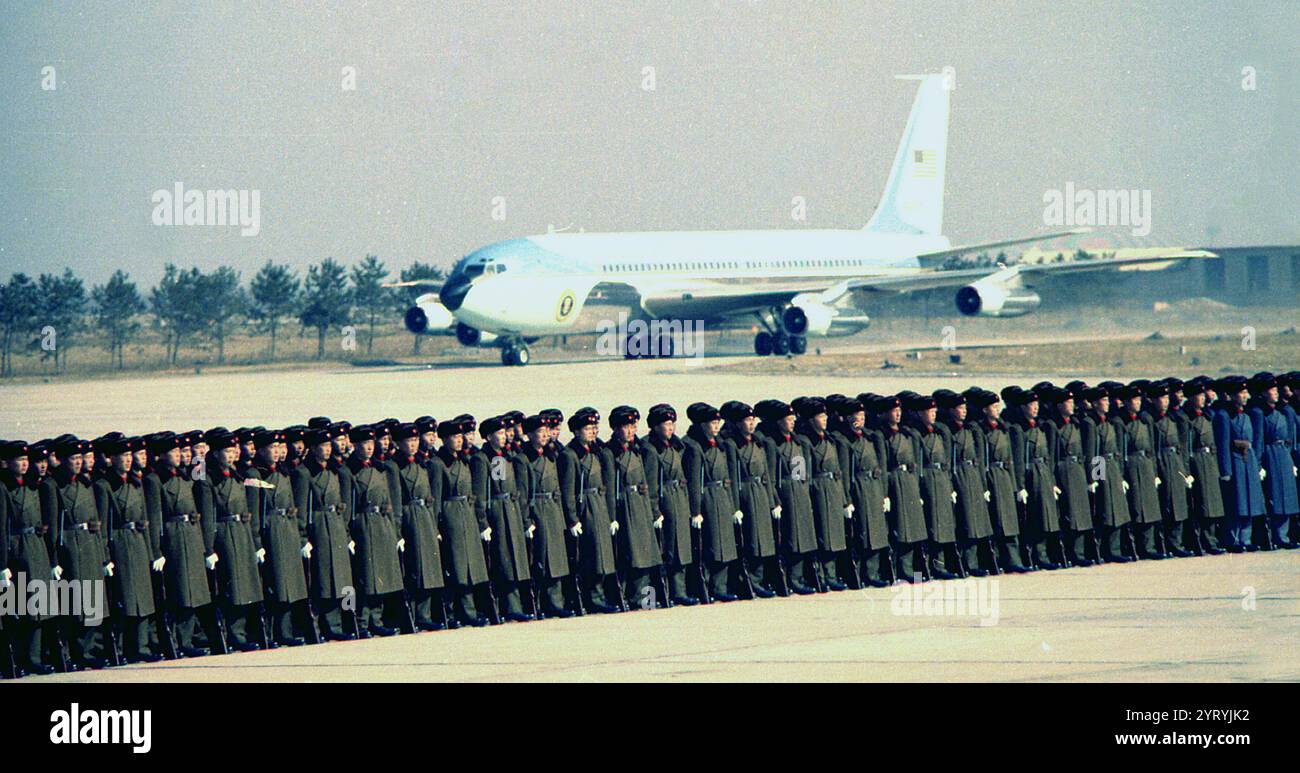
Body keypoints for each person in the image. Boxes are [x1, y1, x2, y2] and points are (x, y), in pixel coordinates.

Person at [93, 436, 163, 663]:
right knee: (124, 597)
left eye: (127, 456)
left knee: (143, 595)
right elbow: (104, 524)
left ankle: (141, 645)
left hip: (139, 541)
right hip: (120, 543)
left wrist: (152, 552)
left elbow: (145, 518)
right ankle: (122, 647)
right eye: (121, 456)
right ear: (111, 459)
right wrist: (105, 556)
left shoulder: (136, 482)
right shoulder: (105, 486)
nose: (126, 461)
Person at [143, 433, 214, 657]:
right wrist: (156, 550)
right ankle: (179, 640)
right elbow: (155, 517)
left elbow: (201, 484)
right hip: (174, 537)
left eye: (180, 452)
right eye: (173, 452)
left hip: (191, 535)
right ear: (162, 456)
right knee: (181, 590)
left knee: (194, 590)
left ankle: (188, 636)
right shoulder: (156, 480)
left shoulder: (184, 475)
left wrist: (199, 457)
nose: (178, 455)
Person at [194, 430, 266, 650]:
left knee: (245, 585)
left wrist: (255, 542)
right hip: (224, 534)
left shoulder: (236, 474)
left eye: (234, 450)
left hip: (241, 532)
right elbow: (207, 517)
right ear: (215, 454)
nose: (232, 454)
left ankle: (242, 631)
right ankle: (233, 634)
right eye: (227, 450)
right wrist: (208, 549)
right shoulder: (207, 479)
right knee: (232, 585)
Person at [41, 438, 109, 669]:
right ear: (62, 460)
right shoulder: (53, 485)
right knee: (75, 602)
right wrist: (54, 558)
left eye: (80, 458)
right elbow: (52, 522)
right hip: (69, 545)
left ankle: (91, 649)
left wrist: (102, 553)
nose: (78, 463)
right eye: (73, 459)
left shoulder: (85, 483)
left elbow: (95, 521)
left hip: (89, 543)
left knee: (92, 598)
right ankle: (76, 652)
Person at [293, 426, 357, 640]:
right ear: (313, 448)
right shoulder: (304, 473)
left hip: (336, 527)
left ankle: (342, 622)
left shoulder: (334, 470)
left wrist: (346, 534)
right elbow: (302, 509)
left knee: (341, 578)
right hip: (319, 528)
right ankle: (327, 626)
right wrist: (303, 538)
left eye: (329, 445)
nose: (328, 450)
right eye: (323, 446)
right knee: (324, 579)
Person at [247, 430, 310, 646]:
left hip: (288, 530)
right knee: (277, 583)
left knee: (291, 583)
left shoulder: (283, 472)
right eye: (271, 448)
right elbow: (254, 512)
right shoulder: (255, 475)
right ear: (261, 451)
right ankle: (277, 632)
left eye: (278, 448)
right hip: (271, 532)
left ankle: (288, 629)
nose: (276, 452)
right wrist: (257, 542)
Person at [1, 440, 59, 674]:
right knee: (18, 609)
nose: (24, 465)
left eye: (26, 460)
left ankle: (33, 657)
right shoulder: (4, 488)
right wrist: (2, 564)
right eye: (19, 461)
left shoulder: (33, 487)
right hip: (17, 551)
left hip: (36, 549)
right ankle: (20, 658)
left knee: (39, 607)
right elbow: (2, 528)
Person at [429, 416, 491, 626]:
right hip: (451, 515)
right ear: (444, 439)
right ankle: (457, 612)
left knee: (470, 566)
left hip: (467, 514)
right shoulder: (438, 464)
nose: (459, 440)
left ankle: (469, 610)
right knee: (456, 566)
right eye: (454, 436)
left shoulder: (463, 459)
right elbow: (436, 496)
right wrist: (437, 524)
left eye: (460, 436)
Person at [558, 408, 621, 613]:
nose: (593, 432)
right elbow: (568, 490)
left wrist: (610, 515)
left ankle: (600, 595)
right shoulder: (570, 455)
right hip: (585, 507)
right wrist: (572, 519)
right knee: (592, 554)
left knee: (603, 553)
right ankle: (592, 598)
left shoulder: (596, 451)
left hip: (599, 504)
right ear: (576, 431)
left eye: (594, 428)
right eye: (588, 428)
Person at [472, 416, 533, 623]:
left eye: (505, 432)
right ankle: (509, 606)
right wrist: (483, 522)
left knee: (514, 559)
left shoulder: (502, 456)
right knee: (504, 560)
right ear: (489, 437)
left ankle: (515, 605)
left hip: (510, 510)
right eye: (499, 433)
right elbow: (482, 494)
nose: (504, 436)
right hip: (498, 514)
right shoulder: (484, 458)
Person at [756, 399, 819, 593]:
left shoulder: (797, 443)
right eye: (787, 419)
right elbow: (772, 476)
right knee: (789, 538)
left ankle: (797, 577)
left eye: (793, 419)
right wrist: (775, 499)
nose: (792, 422)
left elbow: (801, 473)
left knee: (802, 538)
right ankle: (785, 579)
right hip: (784, 494)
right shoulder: (772, 444)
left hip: (798, 493)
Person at [346, 426, 404, 636]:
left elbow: (389, 499)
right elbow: (349, 506)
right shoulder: (350, 470)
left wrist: (393, 528)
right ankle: (361, 621)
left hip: (382, 524)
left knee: (381, 575)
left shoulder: (379, 469)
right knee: (365, 576)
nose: (369, 448)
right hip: (364, 525)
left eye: (371, 444)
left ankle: (376, 618)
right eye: (364, 444)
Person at [389, 422, 447, 631]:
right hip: (409, 517)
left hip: (425, 516)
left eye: (415, 440)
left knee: (428, 568)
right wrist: (398, 529)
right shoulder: (395, 466)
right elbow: (396, 499)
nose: (413, 445)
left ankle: (424, 613)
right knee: (414, 567)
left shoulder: (423, 463)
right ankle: (412, 615)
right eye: (409, 441)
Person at [965, 388, 1031, 572]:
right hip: (991, 477)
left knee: (1009, 522)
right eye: (993, 406)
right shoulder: (980, 430)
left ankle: (1013, 560)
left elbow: (1012, 458)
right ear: (985, 410)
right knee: (993, 522)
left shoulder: (1004, 429)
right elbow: (981, 460)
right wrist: (984, 485)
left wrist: (1017, 485)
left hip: (1005, 477)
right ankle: (993, 561)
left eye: (997, 406)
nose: (996, 409)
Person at [641, 404, 700, 605]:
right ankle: (668, 592)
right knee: (669, 549)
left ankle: (680, 590)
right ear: (656, 426)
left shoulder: (676, 446)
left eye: (672, 423)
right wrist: (655, 510)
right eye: (666, 423)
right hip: (665, 501)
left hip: (679, 499)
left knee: (682, 547)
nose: (671, 427)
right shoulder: (650, 449)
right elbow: (651, 483)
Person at [720, 400, 780, 596]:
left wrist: (774, 501)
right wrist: (735, 506)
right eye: (747, 420)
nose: (752, 423)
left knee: (764, 538)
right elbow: (733, 477)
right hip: (746, 494)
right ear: (738, 423)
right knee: (751, 539)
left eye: (753, 419)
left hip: (761, 493)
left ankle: (759, 579)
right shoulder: (732, 445)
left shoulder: (759, 443)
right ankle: (750, 581)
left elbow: (767, 475)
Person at [683, 402, 742, 601]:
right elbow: (694, 481)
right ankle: (708, 587)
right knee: (711, 545)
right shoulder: (695, 447)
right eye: (712, 423)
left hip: (722, 497)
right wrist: (695, 510)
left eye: (718, 422)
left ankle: (720, 586)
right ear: (702, 425)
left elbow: (730, 476)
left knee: (725, 544)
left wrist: (734, 506)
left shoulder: (720, 445)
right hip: (707, 499)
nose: (716, 427)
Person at [517, 414, 574, 617]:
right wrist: (526, 520)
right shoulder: (523, 459)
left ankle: (556, 602)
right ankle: (541, 603)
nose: (545, 435)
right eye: (540, 432)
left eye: (546, 432)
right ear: (530, 435)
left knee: (557, 559)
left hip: (553, 509)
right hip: (538, 511)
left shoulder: (551, 454)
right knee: (541, 559)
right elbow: (523, 492)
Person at [935, 389, 996, 575]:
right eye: (959, 408)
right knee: (964, 521)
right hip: (958, 476)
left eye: (964, 407)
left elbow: (978, 458)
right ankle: (963, 563)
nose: (963, 411)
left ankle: (974, 561)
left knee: (976, 521)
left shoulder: (970, 429)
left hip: (973, 476)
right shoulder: (947, 431)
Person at [792, 396, 850, 590]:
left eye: (825, 416)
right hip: (816, 492)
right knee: (821, 535)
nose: (824, 419)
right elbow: (799, 474)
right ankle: (819, 576)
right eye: (820, 416)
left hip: (832, 489)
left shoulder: (830, 439)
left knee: (833, 533)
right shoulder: (803, 442)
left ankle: (831, 574)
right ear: (810, 420)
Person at [1004, 386, 1064, 569]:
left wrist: (1052, 481)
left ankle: (1045, 554)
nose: (1035, 408)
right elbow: (1019, 459)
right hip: (1031, 477)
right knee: (1035, 517)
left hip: (1044, 474)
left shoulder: (1043, 428)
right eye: (1031, 404)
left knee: (1047, 517)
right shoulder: (1018, 430)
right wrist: (1020, 485)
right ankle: (1038, 556)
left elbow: (1052, 456)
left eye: (1036, 404)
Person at [903, 392, 960, 579]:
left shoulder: (939, 432)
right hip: (925, 481)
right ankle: (921, 570)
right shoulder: (914, 434)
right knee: (924, 530)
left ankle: (939, 567)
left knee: (942, 528)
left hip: (941, 481)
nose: (933, 414)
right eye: (929, 411)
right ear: (919, 413)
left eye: (935, 411)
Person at [1041, 385, 1096, 565]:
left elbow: (1094, 453)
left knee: (1083, 514)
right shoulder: (1054, 426)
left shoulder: (1082, 424)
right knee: (1070, 514)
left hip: (1081, 471)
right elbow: (1052, 455)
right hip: (1065, 471)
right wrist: (1053, 481)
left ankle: (1081, 552)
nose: (1072, 406)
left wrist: (1094, 478)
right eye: (1068, 402)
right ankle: (1071, 554)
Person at [1079, 384, 1133, 562]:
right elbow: (1092, 451)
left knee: (1117, 509)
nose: (1107, 403)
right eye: (1103, 400)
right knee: (1105, 509)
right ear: (1094, 404)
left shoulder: (1108, 421)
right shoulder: (1091, 423)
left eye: (1107, 400)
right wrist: (1096, 478)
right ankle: (1106, 550)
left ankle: (1115, 549)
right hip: (1102, 466)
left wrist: (1120, 474)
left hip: (1113, 467)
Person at [1213, 376, 1267, 552]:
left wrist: (1257, 464)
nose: (1245, 396)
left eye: (1246, 392)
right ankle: (1234, 539)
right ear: (1232, 396)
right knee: (1236, 502)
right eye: (1241, 393)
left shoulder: (1248, 414)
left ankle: (1246, 537)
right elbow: (1223, 444)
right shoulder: (1225, 416)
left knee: (1250, 501)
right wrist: (1226, 471)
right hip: (1235, 462)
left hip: (1248, 462)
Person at [1247, 372, 1298, 549]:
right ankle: (1276, 536)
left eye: (1276, 389)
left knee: (1287, 498)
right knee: (1274, 496)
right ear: (1262, 393)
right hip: (1270, 455)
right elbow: (1259, 439)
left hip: (1283, 454)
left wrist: (1291, 459)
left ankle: (1284, 534)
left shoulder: (1283, 412)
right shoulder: (1259, 413)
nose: (1275, 392)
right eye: (1271, 389)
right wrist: (1259, 463)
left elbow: (1290, 438)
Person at [1144, 381, 1194, 557]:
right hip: (1161, 462)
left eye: (1166, 397)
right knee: (1166, 504)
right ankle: (1163, 544)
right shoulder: (1150, 420)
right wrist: (1155, 472)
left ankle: (1176, 543)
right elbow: (1153, 448)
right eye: (1161, 398)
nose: (1164, 401)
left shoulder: (1172, 418)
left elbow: (1181, 446)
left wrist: (1185, 471)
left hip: (1175, 462)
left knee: (1178, 504)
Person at [1114, 382, 1164, 559]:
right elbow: (1120, 451)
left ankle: (1149, 546)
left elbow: (1152, 447)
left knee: (1150, 508)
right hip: (1132, 466)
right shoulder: (1120, 422)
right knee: (1136, 508)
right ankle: (1136, 546)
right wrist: (1121, 475)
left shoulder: (1145, 420)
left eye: (1139, 399)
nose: (1138, 403)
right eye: (1134, 400)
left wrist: (1155, 472)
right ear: (1126, 402)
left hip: (1146, 465)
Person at [1178, 377, 1227, 554]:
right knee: (1203, 504)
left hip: (1209, 461)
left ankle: (1212, 539)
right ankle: (1204, 541)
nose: (1203, 398)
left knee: (1214, 503)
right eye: (1199, 395)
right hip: (1197, 462)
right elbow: (1185, 447)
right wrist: (1186, 471)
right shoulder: (1186, 419)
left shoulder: (1207, 415)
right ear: (1190, 398)